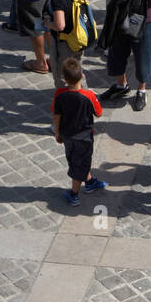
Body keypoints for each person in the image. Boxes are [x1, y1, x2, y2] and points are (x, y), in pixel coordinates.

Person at [52, 58, 108, 205]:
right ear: (82, 75)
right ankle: (74, 194)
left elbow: (56, 115)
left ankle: (89, 182)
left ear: (64, 78)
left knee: (75, 160)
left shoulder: (59, 94)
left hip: (67, 135)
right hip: (84, 138)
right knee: (80, 163)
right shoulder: (89, 96)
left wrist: (57, 133)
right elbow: (99, 113)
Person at [37, 0, 84, 88]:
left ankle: (66, 101)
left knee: (62, 75)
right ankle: (85, 96)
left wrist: (47, 23)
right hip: (79, 38)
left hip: (65, 43)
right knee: (76, 71)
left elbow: (60, 25)